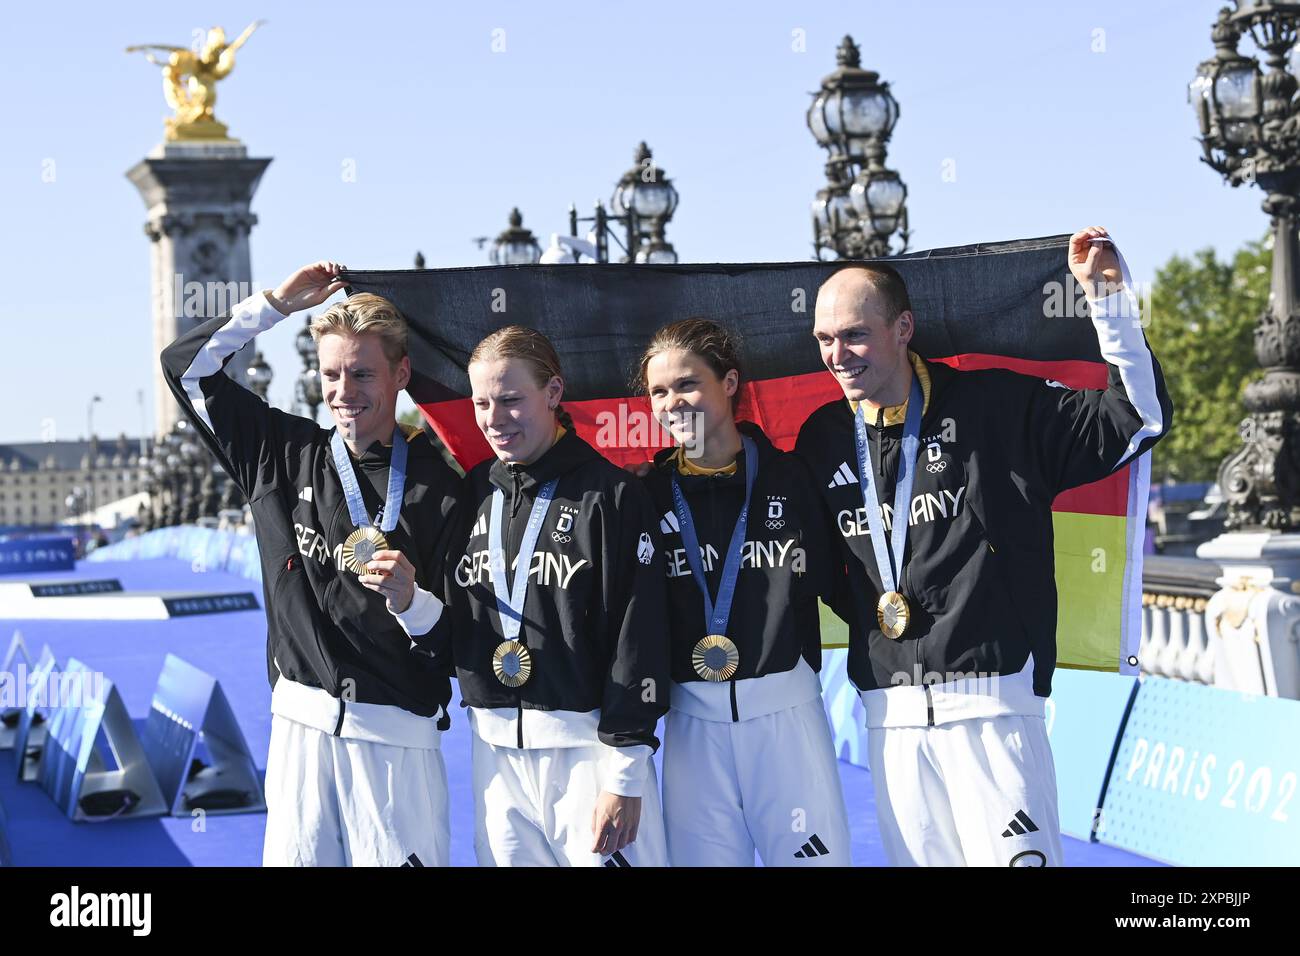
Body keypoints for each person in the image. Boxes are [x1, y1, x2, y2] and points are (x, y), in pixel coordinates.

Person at [794, 227, 1172, 866]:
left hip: (994, 709)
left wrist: (1108, 301)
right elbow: (813, 563)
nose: (839, 355)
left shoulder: (995, 407)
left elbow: (1136, 418)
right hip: (890, 718)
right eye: (825, 340)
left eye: (855, 335)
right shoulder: (823, 439)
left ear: (903, 327)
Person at [161, 261, 462, 867]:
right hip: (299, 736)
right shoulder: (278, 452)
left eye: (362, 373)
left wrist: (413, 603)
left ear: (402, 374)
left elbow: (463, 642)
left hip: (396, 750)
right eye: (330, 373)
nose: (344, 391)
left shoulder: (447, 484)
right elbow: (184, 368)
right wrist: (273, 305)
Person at [449, 325, 670, 866]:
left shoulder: (612, 494)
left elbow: (638, 634)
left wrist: (624, 773)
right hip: (494, 756)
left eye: (511, 400)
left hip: (588, 756)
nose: (494, 419)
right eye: (481, 402)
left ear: (553, 393)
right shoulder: (474, 492)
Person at [638, 318, 853, 866]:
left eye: (687, 384)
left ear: (729, 383)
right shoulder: (641, 496)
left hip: (787, 722)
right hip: (690, 733)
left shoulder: (794, 479)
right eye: (659, 391)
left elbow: (848, 585)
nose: (672, 403)